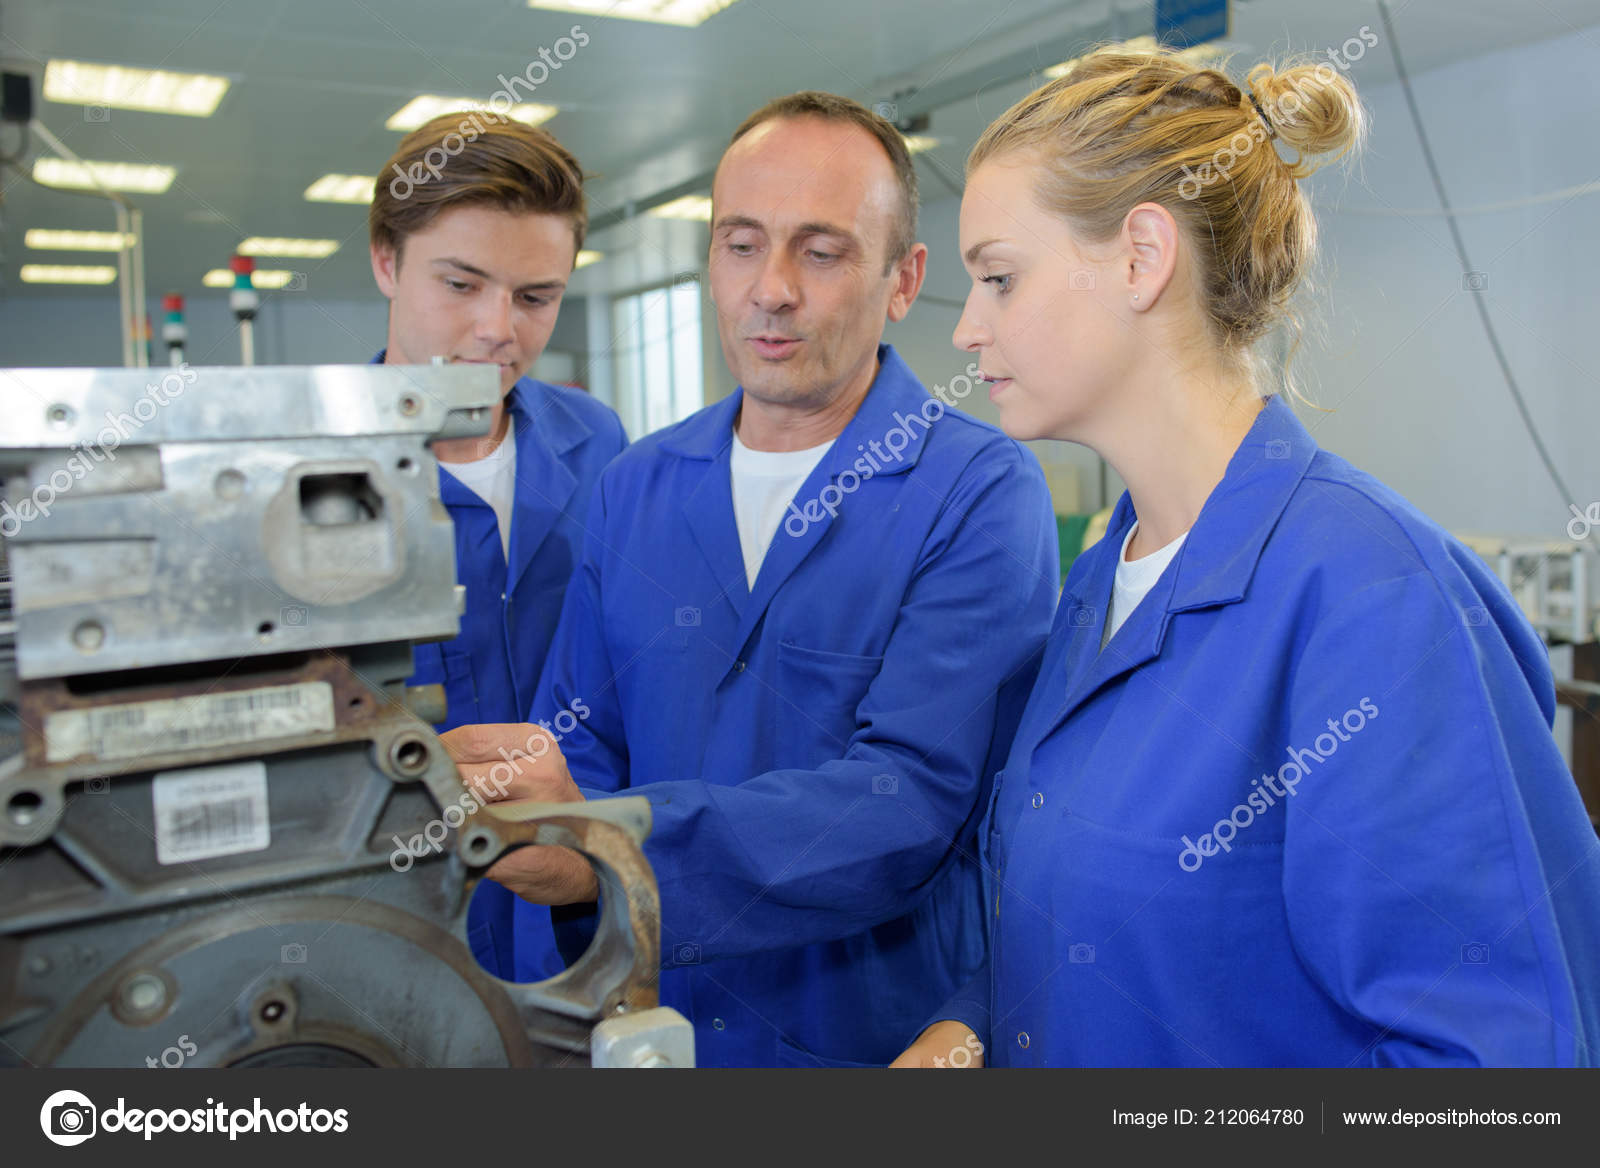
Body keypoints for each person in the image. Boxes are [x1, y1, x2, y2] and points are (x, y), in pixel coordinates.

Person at [894, 46, 1600, 1068]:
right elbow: (1080, 933)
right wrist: (966, 1029)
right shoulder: (1102, 585)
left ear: (1141, 256)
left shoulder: (1375, 602)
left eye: (999, 277)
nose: (965, 327)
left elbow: (1500, 1067)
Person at [448, 92, 1061, 1067]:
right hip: (645, 1025)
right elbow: (580, 750)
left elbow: (904, 803)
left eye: (819, 252)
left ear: (904, 281)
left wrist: (602, 855)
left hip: (864, 1038)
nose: (769, 289)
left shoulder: (977, 494)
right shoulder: (633, 487)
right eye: (740, 245)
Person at [368, 112, 627, 977]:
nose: (497, 331)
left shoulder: (599, 443)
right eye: (461, 284)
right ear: (385, 261)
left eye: (534, 297)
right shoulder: (301, 476)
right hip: (388, 906)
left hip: (570, 899)